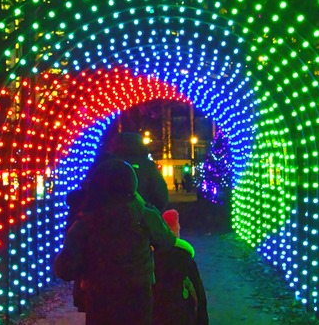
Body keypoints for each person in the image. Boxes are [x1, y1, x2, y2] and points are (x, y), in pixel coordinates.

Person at [54, 159, 195, 324]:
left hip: (100, 297)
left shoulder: (85, 222)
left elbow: (65, 269)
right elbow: (167, 241)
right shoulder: (145, 215)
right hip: (138, 295)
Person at [153, 209, 209, 325]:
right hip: (182, 316)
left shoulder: (151, 257)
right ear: (174, 228)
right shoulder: (184, 258)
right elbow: (198, 294)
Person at [111, 132, 170, 211]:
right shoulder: (148, 166)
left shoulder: (110, 164)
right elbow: (161, 195)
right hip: (142, 215)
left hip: (113, 216)